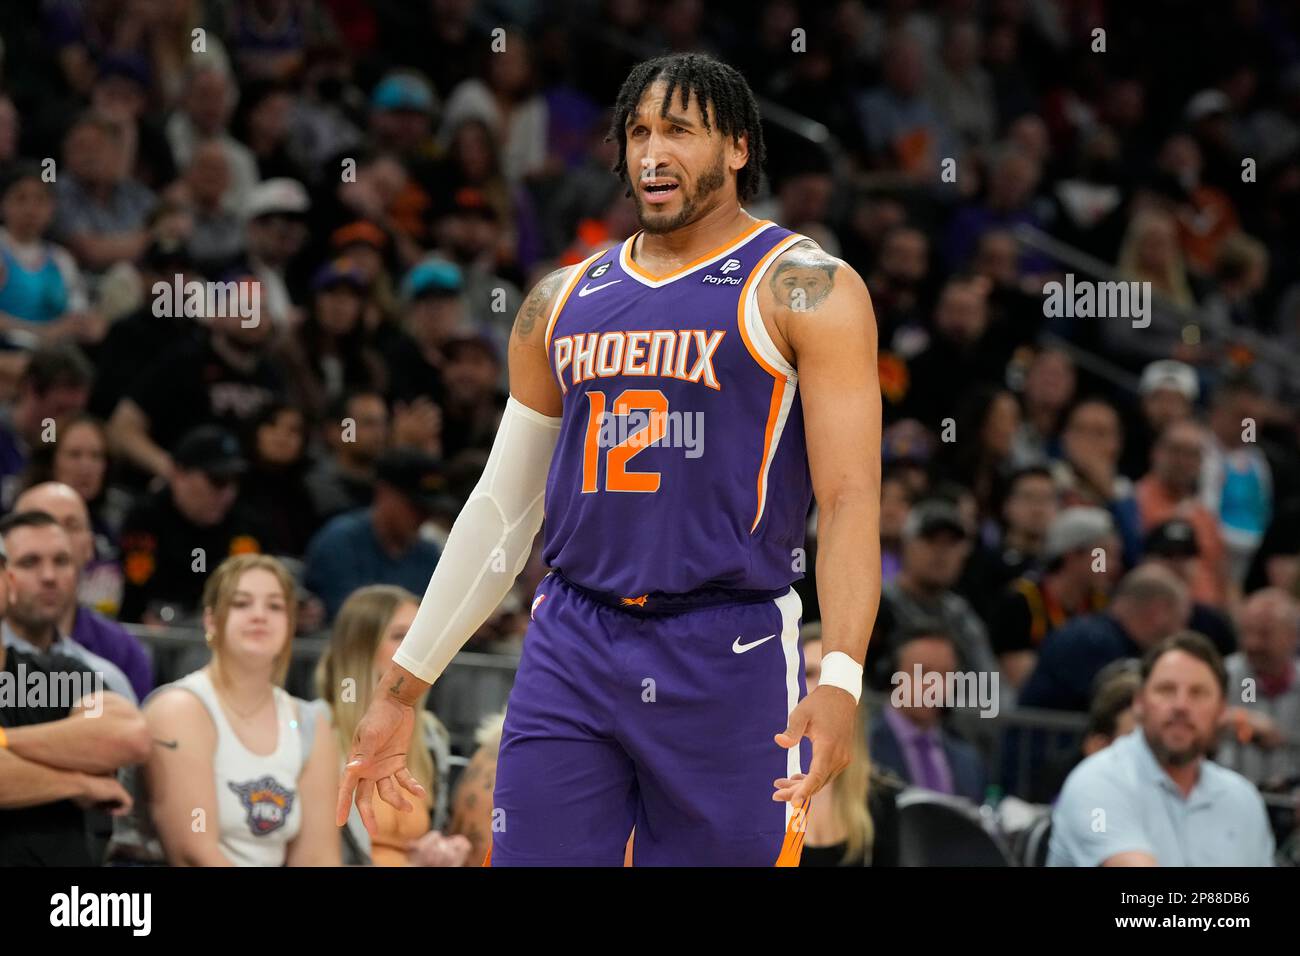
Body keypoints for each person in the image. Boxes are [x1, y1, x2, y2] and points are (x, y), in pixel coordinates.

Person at [338, 52, 882, 867]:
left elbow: (848, 500)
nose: (652, 153)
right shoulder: (558, 300)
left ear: (738, 147)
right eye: (638, 133)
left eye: (679, 131)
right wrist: (400, 689)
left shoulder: (805, 288)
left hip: (726, 645)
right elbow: (502, 509)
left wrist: (840, 677)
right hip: (573, 637)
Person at [130, 554, 339, 866]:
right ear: (211, 621)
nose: (260, 616)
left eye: (275, 606)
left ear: (290, 624)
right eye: (241, 604)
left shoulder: (310, 723)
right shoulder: (179, 709)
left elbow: (319, 858)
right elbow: (193, 853)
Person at [1048, 632, 1274, 866]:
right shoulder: (1096, 783)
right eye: (1166, 690)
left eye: (1198, 693)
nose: (1181, 705)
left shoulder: (1243, 799)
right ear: (1139, 702)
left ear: (1221, 710)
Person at [0, 533, 152, 866]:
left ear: (9, 585)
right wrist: (79, 783)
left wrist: (4, 741)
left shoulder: (58, 675)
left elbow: (127, 735)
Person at [315, 585, 466, 867]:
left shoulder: (431, 734)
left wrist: (441, 851)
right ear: (359, 649)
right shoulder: (317, 728)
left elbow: (432, 834)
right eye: (400, 637)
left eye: (419, 638)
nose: (416, 651)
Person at [12, 482, 151, 700]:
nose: (55, 536)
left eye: (71, 525)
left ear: (90, 545)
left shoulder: (121, 655)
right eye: (41, 522)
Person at [117, 426, 268, 625]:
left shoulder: (246, 524)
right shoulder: (145, 520)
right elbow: (132, 596)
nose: (228, 494)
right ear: (179, 474)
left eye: (234, 481)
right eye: (218, 481)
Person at [1020, 564, 1191, 713]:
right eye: (1180, 621)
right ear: (1158, 611)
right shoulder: (1090, 641)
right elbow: (1114, 708)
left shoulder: (1112, 640)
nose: (1180, 632)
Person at [303, 448, 447, 622]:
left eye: (429, 509)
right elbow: (348, 623)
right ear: (384, 493)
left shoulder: (428, 553)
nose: (423, 517)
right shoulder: (341, 542)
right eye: (415, 507)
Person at [799, 629, 903, 867]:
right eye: (808, 673)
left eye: (832, 678)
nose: (822, 689)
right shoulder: (754, 791)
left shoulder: (879, 798)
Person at [989, 506, 1118, 689]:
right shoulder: (1021, 602)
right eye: (1103, 555)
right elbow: (1023, 681)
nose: (1112, 565)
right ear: (1072, 555)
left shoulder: (1103, 604)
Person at [868, 627, 988, 803]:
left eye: (945, 675)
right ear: (891, 675)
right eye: (922, 673)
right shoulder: (863, 748)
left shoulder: (968, 759)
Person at [1215, 588, 1300, 787]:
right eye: (1246, 633)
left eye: (1264, 634)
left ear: (1293, 636)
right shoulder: (1234, 677)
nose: (1252, 644)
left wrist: (1281, 737)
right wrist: (1243, 722)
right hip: (1235, 789)